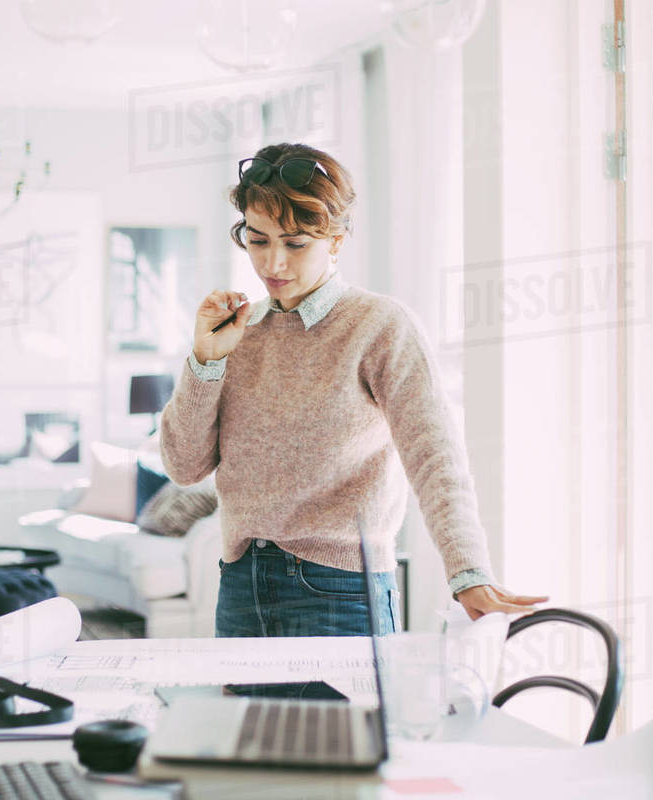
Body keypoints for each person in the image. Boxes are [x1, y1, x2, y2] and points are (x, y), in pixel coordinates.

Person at [159, 142, 547, 637]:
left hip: (341, 592)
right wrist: (206, 361)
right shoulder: (238, 331)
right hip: (240, 587)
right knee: (248, 720)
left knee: (349, 721)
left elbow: (435, 456)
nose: (273, 263)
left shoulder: (379, 325)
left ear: (336, 240)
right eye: (258, 241)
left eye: (296, 243)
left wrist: (467, 570)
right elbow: (184, 467)